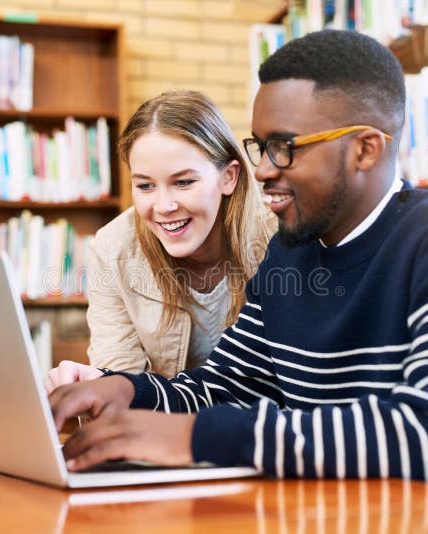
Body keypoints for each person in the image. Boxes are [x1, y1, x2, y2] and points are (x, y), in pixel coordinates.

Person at [47, 30, 428, 504]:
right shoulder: (291, 253)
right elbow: (224, 386)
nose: (263, 171)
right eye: (261, 147)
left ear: (365, 149)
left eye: (285, 148)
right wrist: (125, 390)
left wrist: (200, 437)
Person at [45, 91, 275, 389]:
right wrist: (99, 390)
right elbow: (122, 387)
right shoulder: (114, 249)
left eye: (183, 182)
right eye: (145, 185)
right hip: (168, 427)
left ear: (228, 177)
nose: (163, 206)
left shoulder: (279, 236)